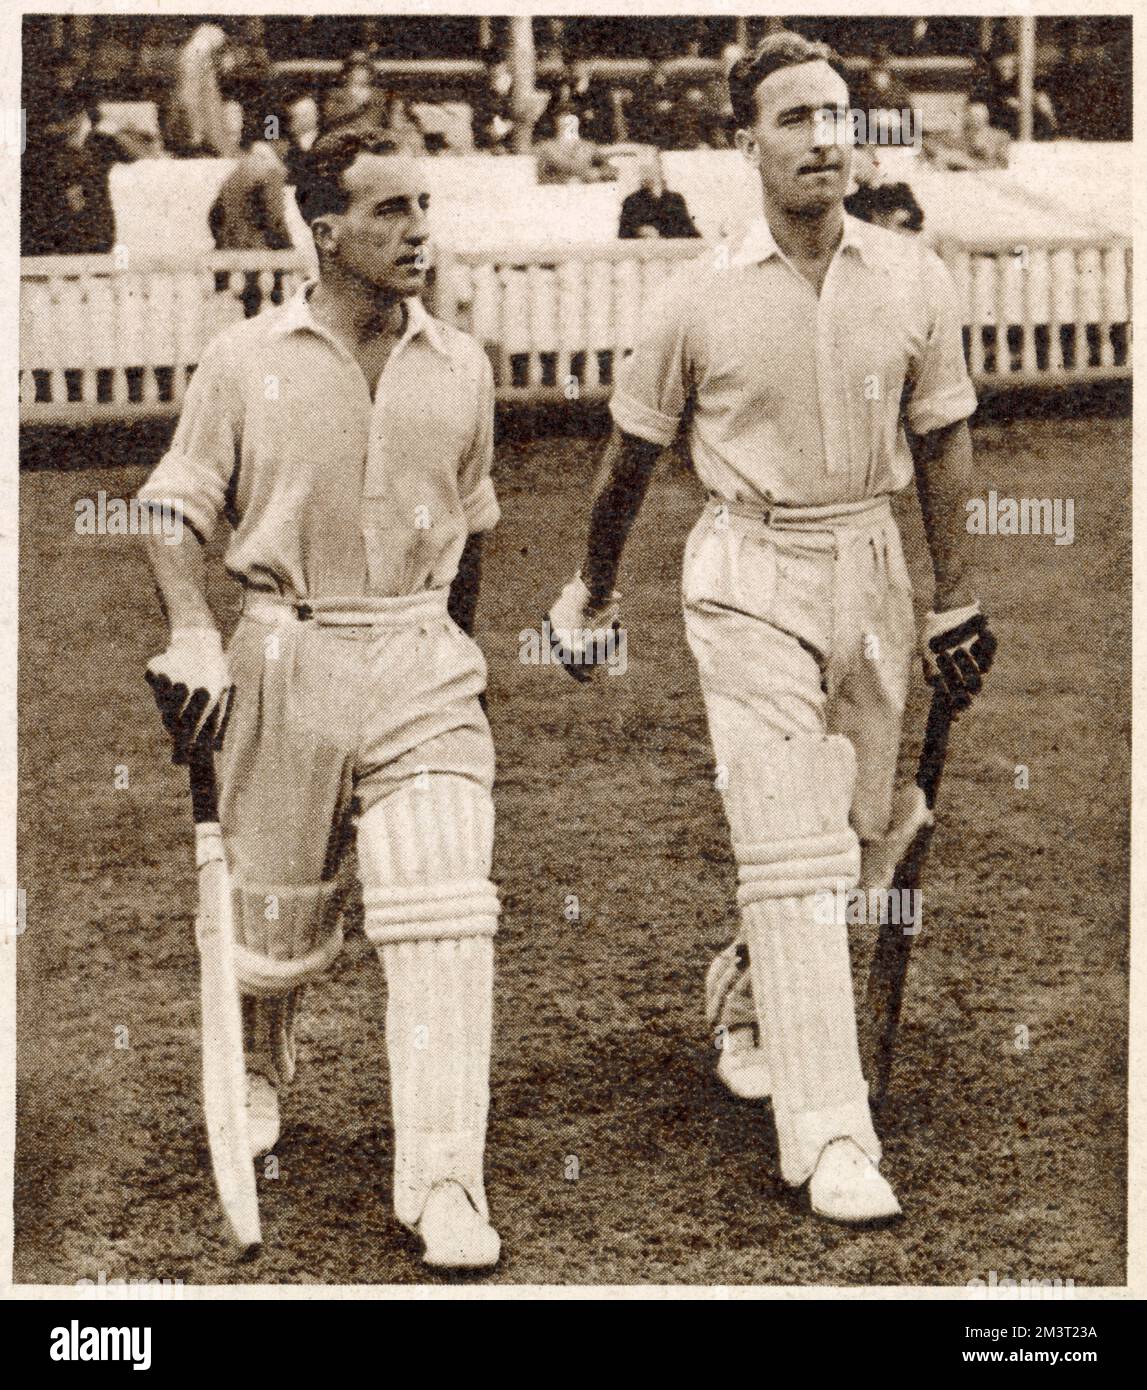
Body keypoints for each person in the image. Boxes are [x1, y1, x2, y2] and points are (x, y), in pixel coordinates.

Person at [545, 32, 996, 1224]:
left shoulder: (911, 277)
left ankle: (746, 989)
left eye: (837, 115)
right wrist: (591, 593)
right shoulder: (693, 295)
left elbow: (942, 436)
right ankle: (833, 1133)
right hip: (745, 572)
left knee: (853, 845)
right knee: (792, 846)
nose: (822, 139)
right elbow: (627, 460)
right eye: (793, 118)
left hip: (870, 566)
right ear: (744, 142)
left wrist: (952, 593)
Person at [139, 130, 504, 1270]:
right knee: (269, 933)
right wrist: (194, 628)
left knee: (443, 899)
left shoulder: (461, 362)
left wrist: (448, 647)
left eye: (424, 204)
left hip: (418, 660)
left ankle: (443, 1175)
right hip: (283, 659)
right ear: (323, 227)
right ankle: (255, 1062)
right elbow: (171, 511)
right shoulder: (245, 360)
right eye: (387, 209)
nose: (416, 229)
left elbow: (475, 523)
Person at [21, 90, 118, 256]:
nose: (55, 128)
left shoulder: (97, 145)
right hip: (58, 242)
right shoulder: (48, 154)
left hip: (85, 241)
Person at [618, 151, 701, 239]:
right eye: (646, 172)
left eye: (657, 170)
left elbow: (691, 233)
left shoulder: (675, 199)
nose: (652, 176)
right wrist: (638, 231)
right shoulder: (632, 201)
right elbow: (623, 235)